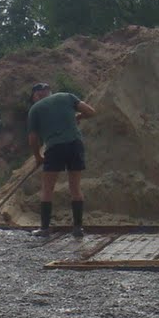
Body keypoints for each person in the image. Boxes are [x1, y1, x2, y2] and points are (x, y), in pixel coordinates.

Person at [26, 81, 96, 237]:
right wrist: (78, 116)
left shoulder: (35, 109)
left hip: (54, 148)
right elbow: (91, 112)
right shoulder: (66, 96)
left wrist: (38, 157)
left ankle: (44, 229)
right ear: (49, 91)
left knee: (47, 189)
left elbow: (32, 138)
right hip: (74, 145)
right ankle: (77, 228)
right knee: (75, 188)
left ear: (36, 95)